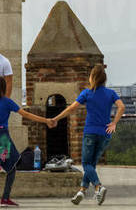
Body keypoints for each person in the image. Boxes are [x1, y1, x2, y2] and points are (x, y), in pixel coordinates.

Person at [0, 76, 53, 208]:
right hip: (2, 137)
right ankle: (5, 199)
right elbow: (26, 115)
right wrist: (46, 120)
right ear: (4, 88)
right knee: (12, 167)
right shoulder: (6, 101)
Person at [47, 64, 124, 206]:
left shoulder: (87, 93)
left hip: (90, 133)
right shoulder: (110, 93)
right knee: (92, 164)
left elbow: (71, 108)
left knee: (86, 163)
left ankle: (98, 187)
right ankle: (82, 191)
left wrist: (55, 119)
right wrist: (114, 123)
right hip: (105, 133)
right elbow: (122, 106)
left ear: (92, 77)